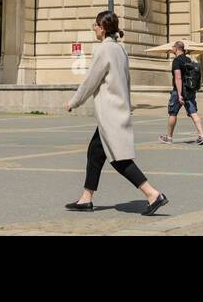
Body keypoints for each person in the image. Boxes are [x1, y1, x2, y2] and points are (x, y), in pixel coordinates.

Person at [64, 11, 167, 216]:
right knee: (95, 153)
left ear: (102, 28)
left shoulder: (104, 50)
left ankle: (152, 194)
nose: (93, 28)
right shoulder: (121, 50)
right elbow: (127, 82)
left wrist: (73, 102)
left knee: (120, 160)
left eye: (95, 25)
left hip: (110, 113)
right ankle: (86, 198)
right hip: (118, 109)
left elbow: (91, 81)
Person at [160, 42, 203, 145]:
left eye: (173, 47)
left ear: (176, 49)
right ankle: (202, 135)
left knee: (173, 113)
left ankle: (169, 137)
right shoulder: (188, 60)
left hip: (179, 92)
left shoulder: (177, 61)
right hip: (190, 91)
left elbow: (178, 77)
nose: (172, 48)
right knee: (193, 112)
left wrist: (180, 94)